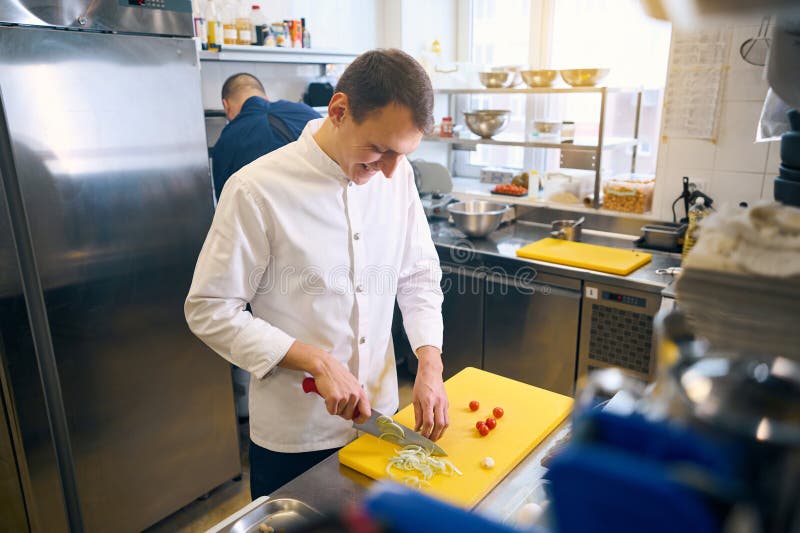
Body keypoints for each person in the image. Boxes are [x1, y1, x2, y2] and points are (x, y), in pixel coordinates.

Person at [185, 49, 449, 499]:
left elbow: (418, 273)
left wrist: (429, 359)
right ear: (339, 110)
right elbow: (209, 308)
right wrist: (316, 360)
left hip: (378, 422)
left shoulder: (395, 176)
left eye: (401, 155)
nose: (388, 169)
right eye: (379, 149)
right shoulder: (256, 189)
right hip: (296, 438)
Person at [211, 72, 321, 199]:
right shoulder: (308, 113)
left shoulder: (225, 144)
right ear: (266, 97)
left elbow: (226, 207)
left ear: (226, 105)